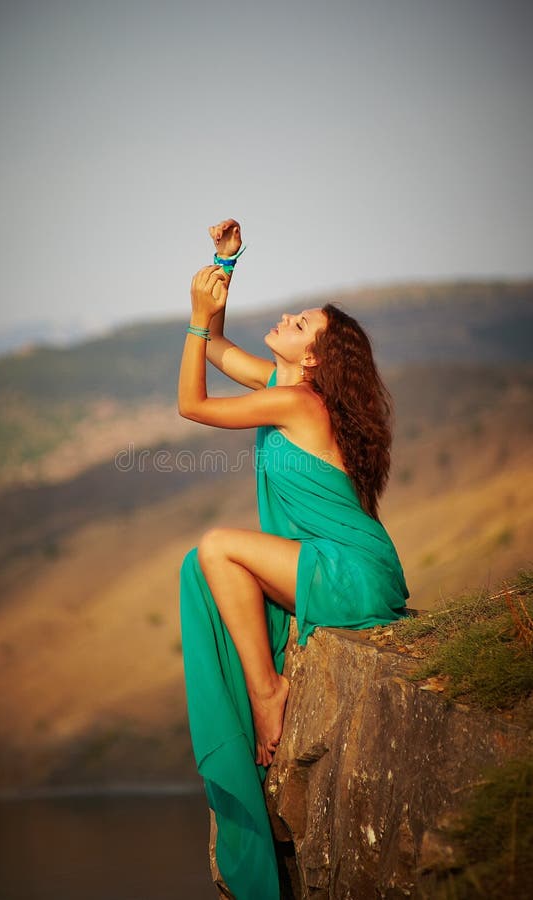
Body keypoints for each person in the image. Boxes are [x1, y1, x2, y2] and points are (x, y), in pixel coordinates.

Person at [178, 220, 410, 900]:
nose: (286, 318)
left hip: (349, 571)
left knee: (216, 546)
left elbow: (191, 402)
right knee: (208, 560)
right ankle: (265, 687)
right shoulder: (287, 383)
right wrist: (224, 262)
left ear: (314, 359)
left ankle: (267, 692)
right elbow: (214, 345)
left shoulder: (293, 400)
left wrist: (195, 320)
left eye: (300, 322)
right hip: (349, 563)